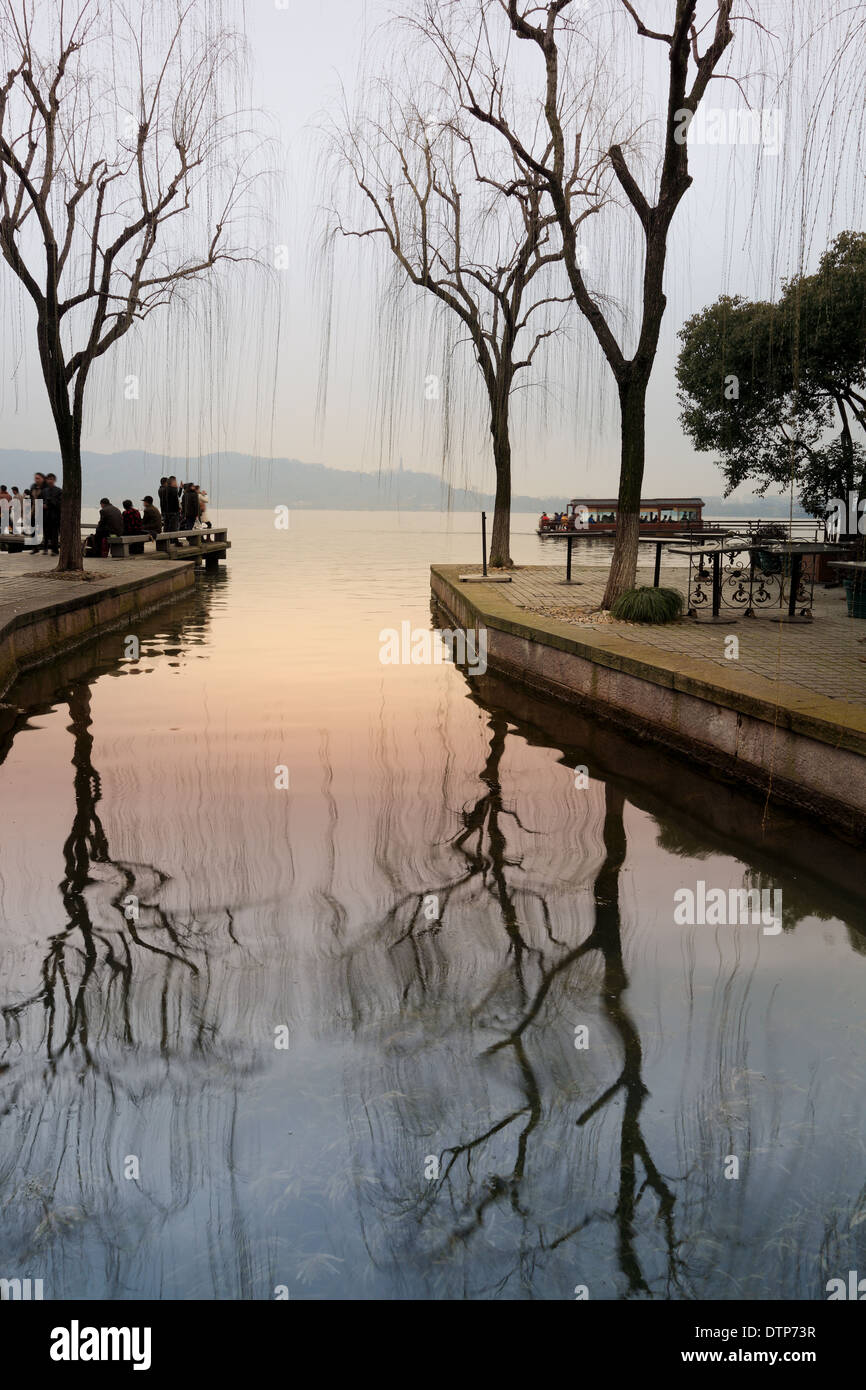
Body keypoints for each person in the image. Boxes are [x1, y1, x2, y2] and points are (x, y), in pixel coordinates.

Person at [32, 472, 62, 554]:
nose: (50, 481)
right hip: (45, 515)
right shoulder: (44, 491)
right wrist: (42, 505)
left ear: (54, 480)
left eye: (51, 479)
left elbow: (60, 503)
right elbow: (38, 501)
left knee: (54, 534)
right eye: (48, 479)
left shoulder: (59, 491)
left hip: (55, 516)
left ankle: (55, 550)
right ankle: (45, 549)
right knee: (45, 533)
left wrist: (51, 503)